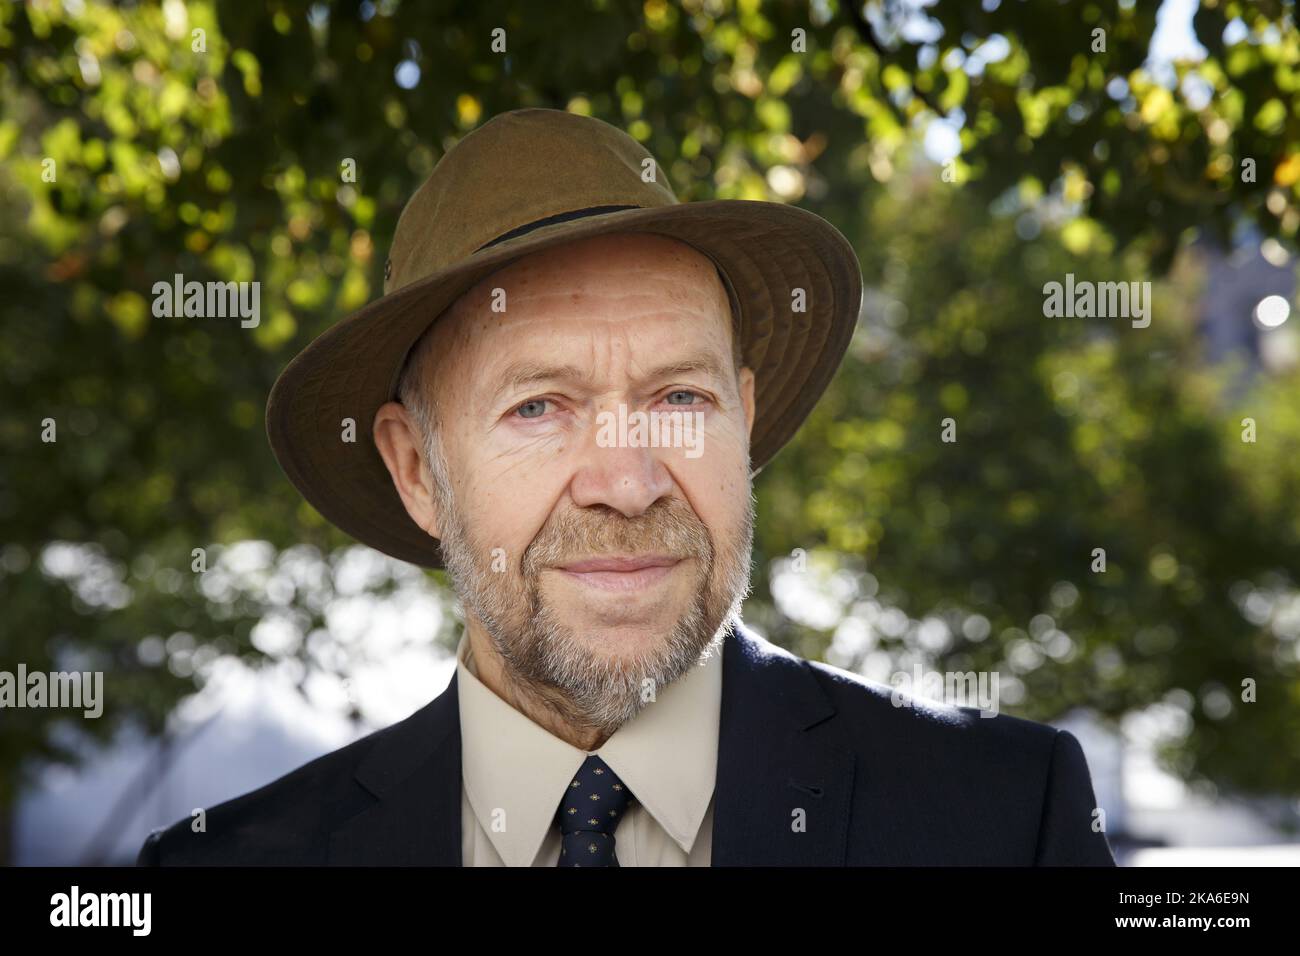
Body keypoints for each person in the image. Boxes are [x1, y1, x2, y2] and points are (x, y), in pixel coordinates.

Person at [138, 108, 1115, 866]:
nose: (627, 480)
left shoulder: (1002, 818)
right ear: (415, 469)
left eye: (680, 396)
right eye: (538, 407)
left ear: (741, 420)